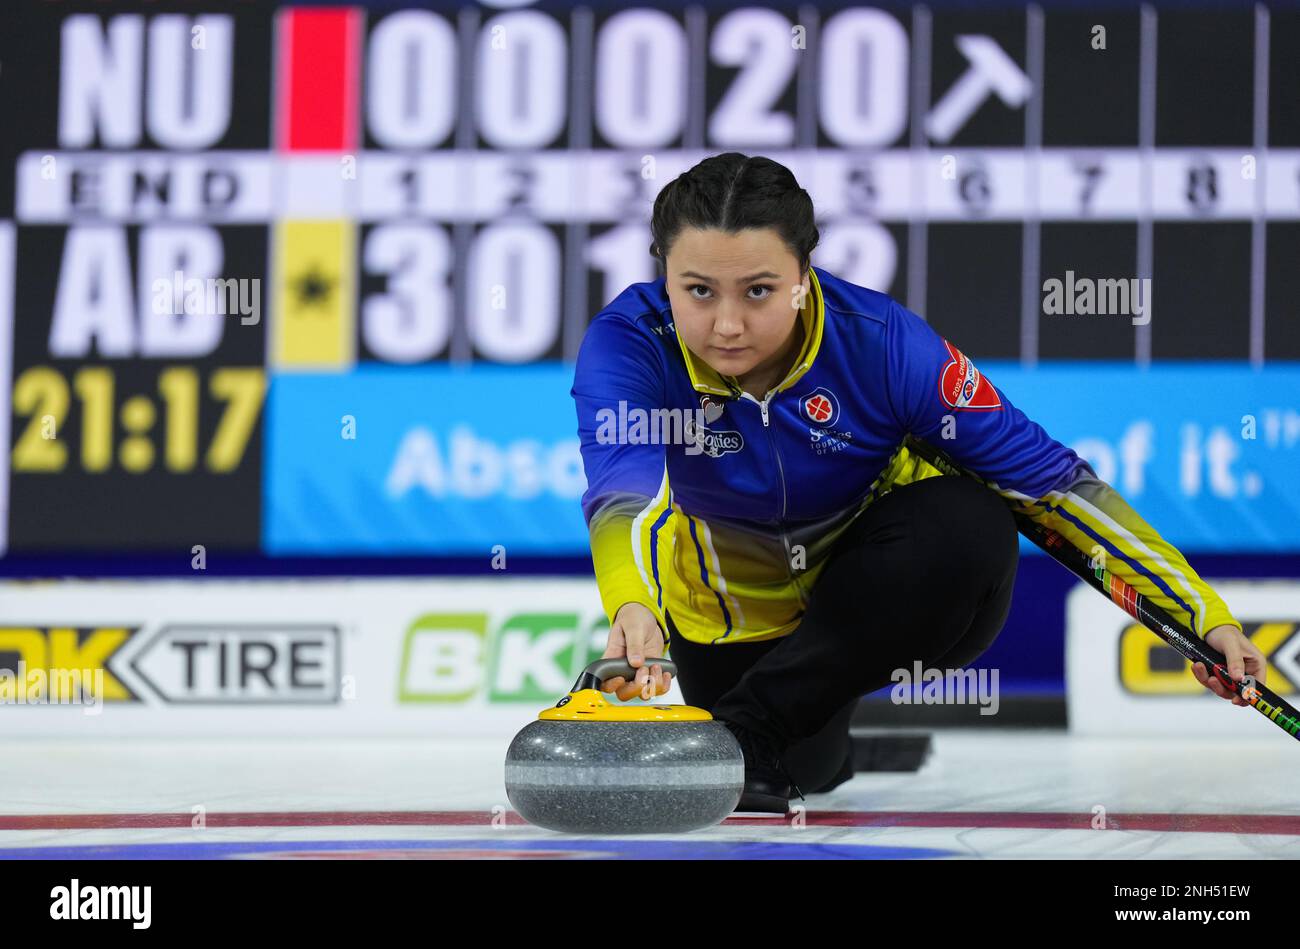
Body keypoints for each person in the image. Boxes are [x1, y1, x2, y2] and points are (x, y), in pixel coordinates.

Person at [569, 152, 1260, 813]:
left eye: (758, 290)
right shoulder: (627, 343)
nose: (726, 324)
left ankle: (758, 726)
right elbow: (624, 492)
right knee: (808, 766)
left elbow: (1053, 486)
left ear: (804, 275)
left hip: (882, 597)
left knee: (970, 522)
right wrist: (634, 608)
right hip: (726, 621)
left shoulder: (886, 345)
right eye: (698, 290)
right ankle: (802, 732)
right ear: (665, 275)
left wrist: (1203, 615)